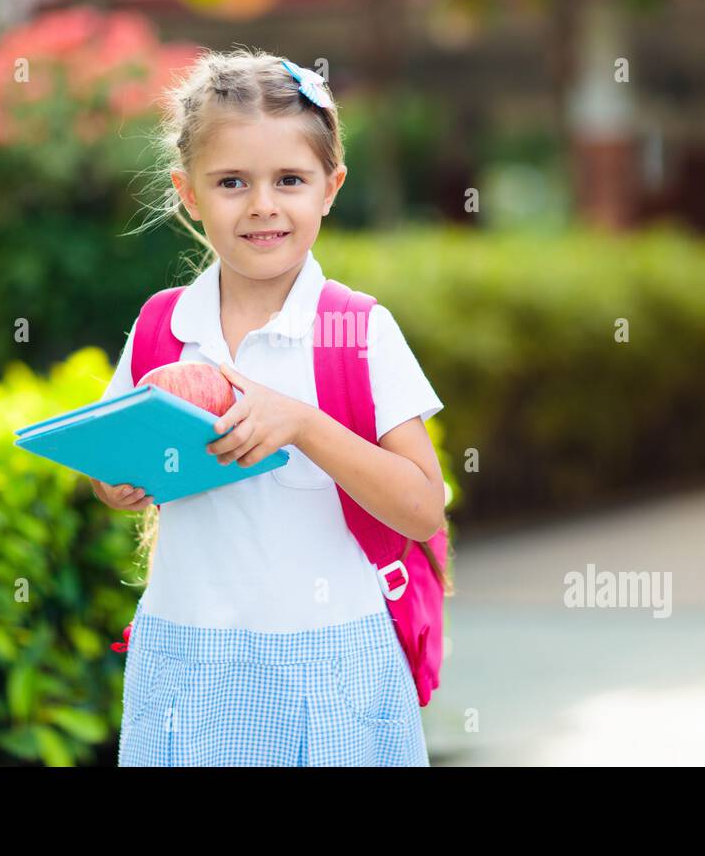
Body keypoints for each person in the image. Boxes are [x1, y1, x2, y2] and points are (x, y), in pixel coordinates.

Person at [93, 48, 445, 766]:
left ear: (330, 187)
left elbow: (422, 507)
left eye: (289, 179)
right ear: (187, 192)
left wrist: (305, 425)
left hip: (327, 660)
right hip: (186, 656)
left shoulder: (356, 328)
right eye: (231, 182)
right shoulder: (164, 326)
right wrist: (123, 481)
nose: (262, 205)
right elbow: (114, 481)